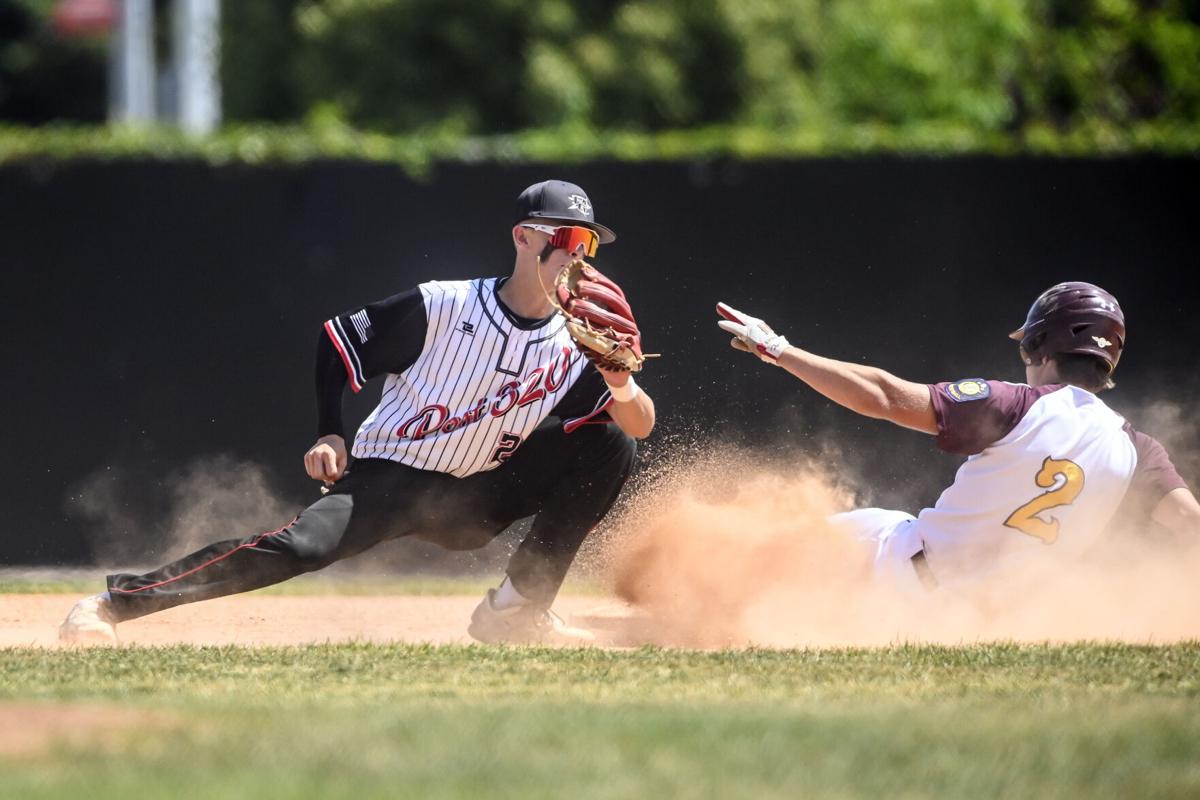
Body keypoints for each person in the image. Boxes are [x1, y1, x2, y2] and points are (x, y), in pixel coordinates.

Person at [61, 179, 655, 645]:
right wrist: (330, 430)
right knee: (301, 548)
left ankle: (517, 611)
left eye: (590, 245)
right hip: (392, 478)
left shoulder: (579, 341)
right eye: (569, 241)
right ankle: (111, 604)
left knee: (610, 443)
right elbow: (338, 338)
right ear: (525, 238)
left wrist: (620, 383)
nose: (580, 257)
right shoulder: (444, 306)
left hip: (481, 495)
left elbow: (640, 425)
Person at [715, 282, 1199, 592]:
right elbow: (1189, 524)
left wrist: (779, 349)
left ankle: (687, 599)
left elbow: (883, 395)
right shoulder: (1137, 450)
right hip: (996, 624)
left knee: (799, 547)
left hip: (906, 579)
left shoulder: (1015, 404)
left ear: (1038, 345)